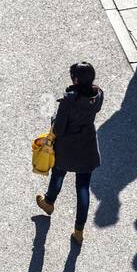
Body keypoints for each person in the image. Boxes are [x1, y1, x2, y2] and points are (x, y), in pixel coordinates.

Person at [35, 63, 103, 246]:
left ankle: (49, 202)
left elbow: (59, 128)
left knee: (58, 174)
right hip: (87, 147)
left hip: (67, 147)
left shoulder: (68, 101)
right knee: (83, 188)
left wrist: (54, 119)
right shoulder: (97, 96)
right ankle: (79, 231)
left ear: (75, 79)